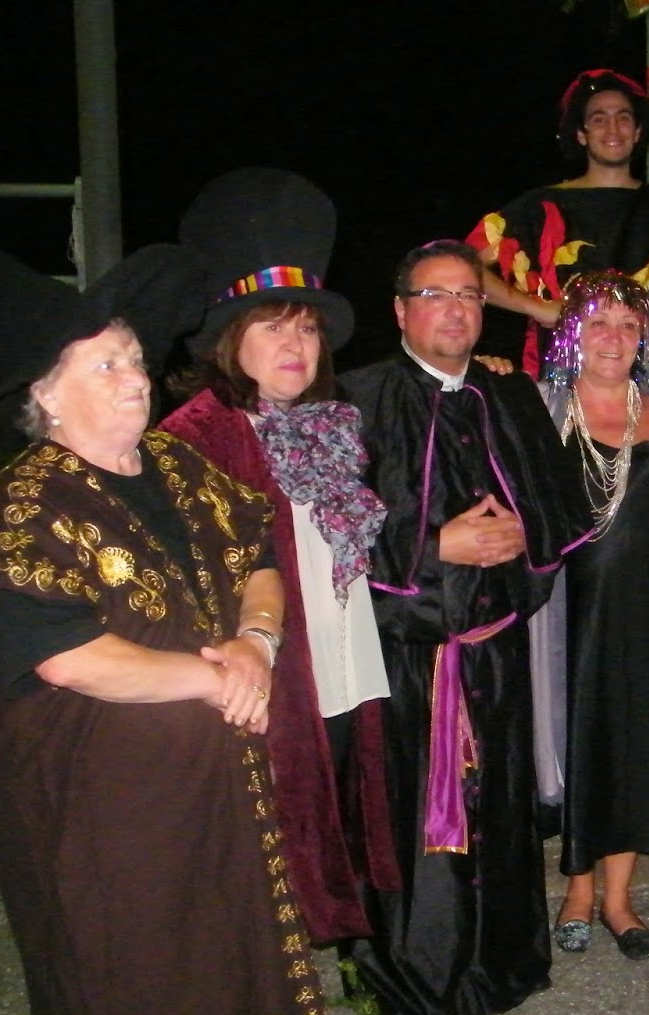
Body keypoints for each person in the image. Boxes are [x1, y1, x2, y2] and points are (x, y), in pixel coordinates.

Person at [0, 210, 362, 1015]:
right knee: (139, 996)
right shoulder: (27, 503)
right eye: (103, 366)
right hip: (107, 817)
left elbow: (256, 562)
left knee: (235, 974)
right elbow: (67, 657)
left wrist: (256, 640)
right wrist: (213, 676)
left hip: (216, 797)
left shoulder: (175, 466)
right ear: (44, 397)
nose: (132, 377)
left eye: (131, 356)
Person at [338, 240, 587, 1015]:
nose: (455, 310)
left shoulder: (505, 397)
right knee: (412, 821)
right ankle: (421, 980)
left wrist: (522, 534)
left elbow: (551, 505)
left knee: (501, 812)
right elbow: (323, 531)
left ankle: (504, 966)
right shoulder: (358, 399)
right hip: (408, 660)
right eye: (435, 295)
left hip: (495, 650)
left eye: (469, 296)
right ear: (402, 310)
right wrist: (433, 545)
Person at [161, 168, 399, 946]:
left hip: (335, 657)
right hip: (261, 671)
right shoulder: (199, 435)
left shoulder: (330, 422)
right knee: (264, 835)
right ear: (233, 341)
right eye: (273, 327)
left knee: (335, 794)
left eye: (305, 327)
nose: (295, 345)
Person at [529, 271, 649, 961]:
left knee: (635, 747)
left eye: (630, 325)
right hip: (571, 617)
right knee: (580, 743)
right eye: (599, 323)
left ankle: (619, 899)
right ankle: (575, 890)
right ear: (572, 334)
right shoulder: (540, 409)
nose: (614, 338)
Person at [466, 67, 649, 391]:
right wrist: (533, 306)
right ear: (581, 133)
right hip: (558, 383)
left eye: (623, 118)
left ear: (636, 131)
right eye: (599, 118)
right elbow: (459, 265)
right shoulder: (538, 209)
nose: (613, 128)